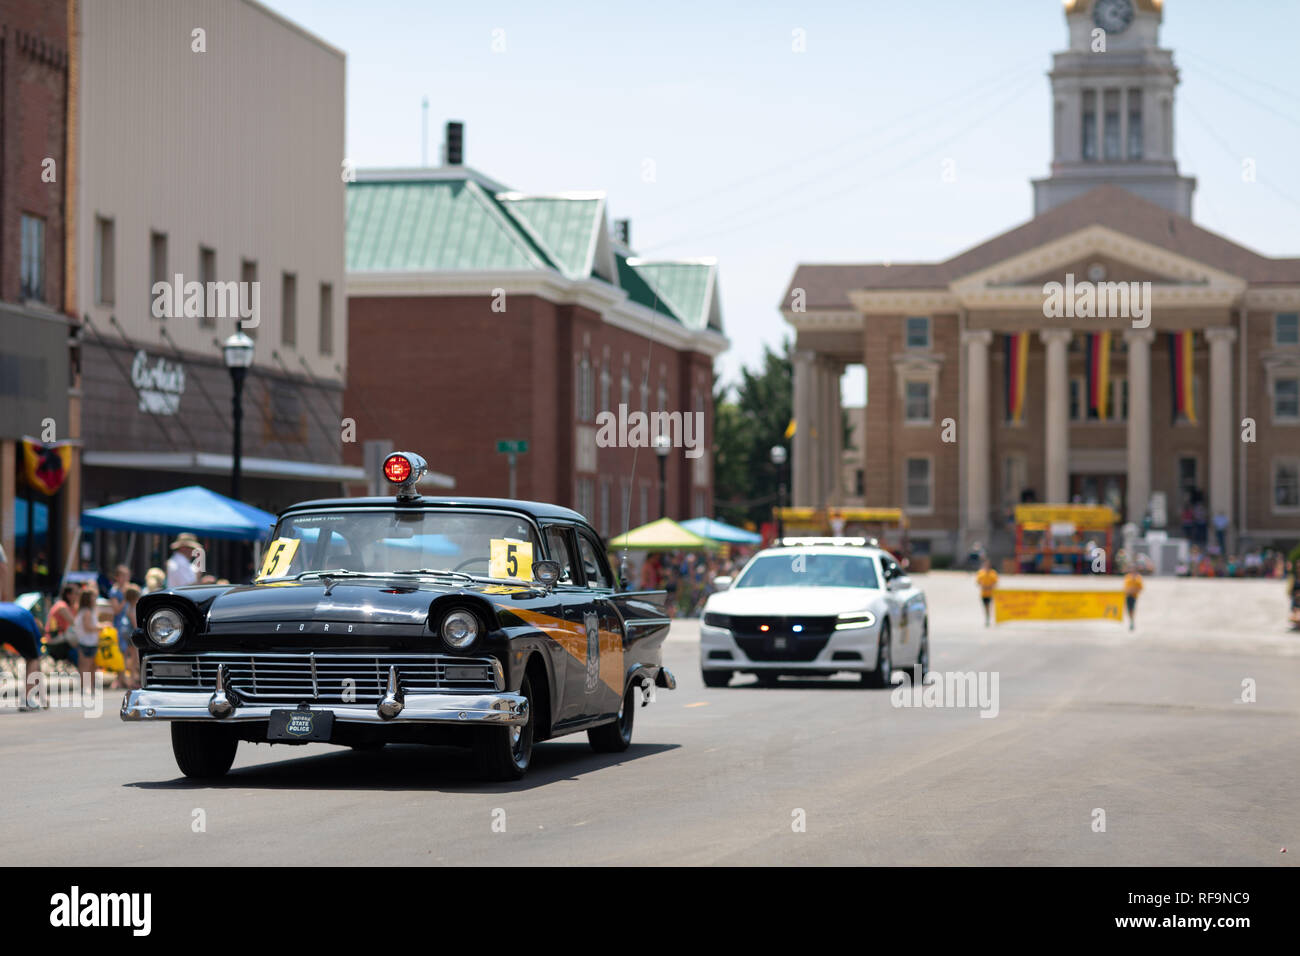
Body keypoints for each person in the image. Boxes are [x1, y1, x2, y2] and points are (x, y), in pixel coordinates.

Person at [73, 587, 99, 682]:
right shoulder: (87, 612)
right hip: (87, 642)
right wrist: (102, 627)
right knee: (87, 667)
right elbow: (88, 627)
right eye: (94, 597)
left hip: (87, 642)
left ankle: (88, 688)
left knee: (89, 667)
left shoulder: (84, 611)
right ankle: (86, 687)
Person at [975, 558, 998, 627]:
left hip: (990, 593)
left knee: (988, 606)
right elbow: (978, 582)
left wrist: (990, 586)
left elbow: (995, 582)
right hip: (983, 593)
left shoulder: (993, 572)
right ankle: (987, 617)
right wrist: (982, 586)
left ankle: (988, 618)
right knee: (985, 606)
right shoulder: (981, 572)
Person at [1123, 564, 1144, 631]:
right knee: (1129, 609)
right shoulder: (1128, 577)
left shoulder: (1138, 577)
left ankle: (1132, 621)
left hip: (1134, 596)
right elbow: (1125, 586)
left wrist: (1135, 590)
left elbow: (1140, 587)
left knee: (1132, 608)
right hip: (1127, 595)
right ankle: (1131, 620)